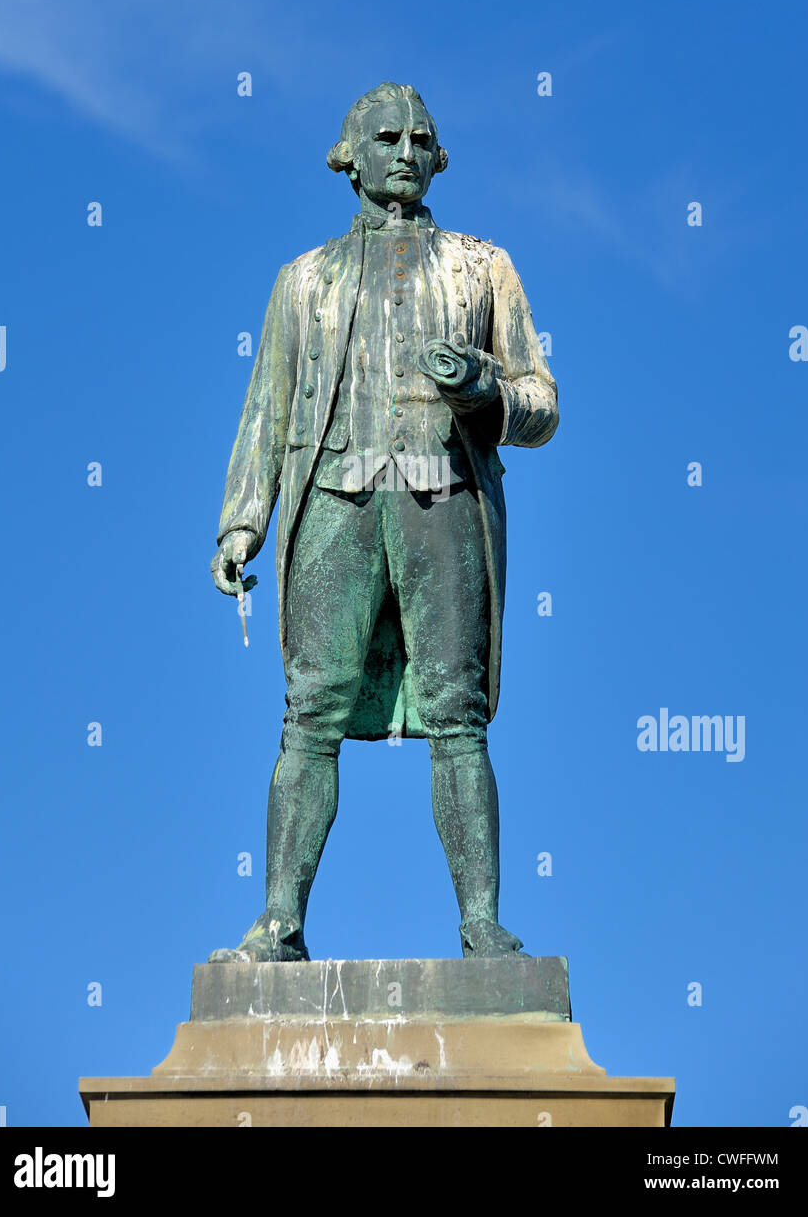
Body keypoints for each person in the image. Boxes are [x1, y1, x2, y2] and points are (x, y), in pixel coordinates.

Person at [209, 82, 558, 962]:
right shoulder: (303, 280)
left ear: (438, 159)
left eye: (422, 139)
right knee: (308, 714)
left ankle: (481, 925)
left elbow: (541, 404)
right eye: (386, 137)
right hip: (333, 500)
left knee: (457, 714)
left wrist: (481, 386)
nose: (405, 151)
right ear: (348, 156)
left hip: (442, 498)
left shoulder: (483, 266)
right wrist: (240, 526)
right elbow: (266, 409)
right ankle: (279, 922)